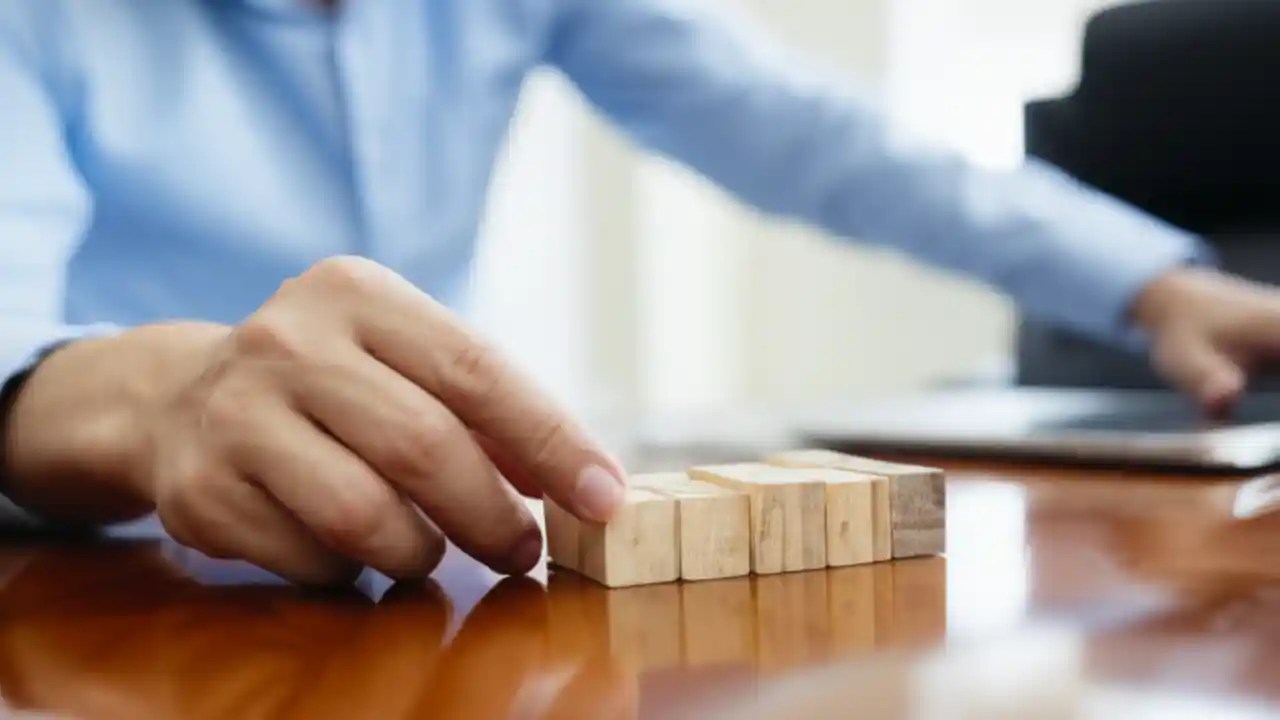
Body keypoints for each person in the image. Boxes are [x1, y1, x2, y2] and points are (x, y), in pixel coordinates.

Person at [3, 0, 1280, 585]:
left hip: (432, 570)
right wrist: (136, 396)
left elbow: (807, 131)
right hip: (100, 586)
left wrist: (1150, 280)